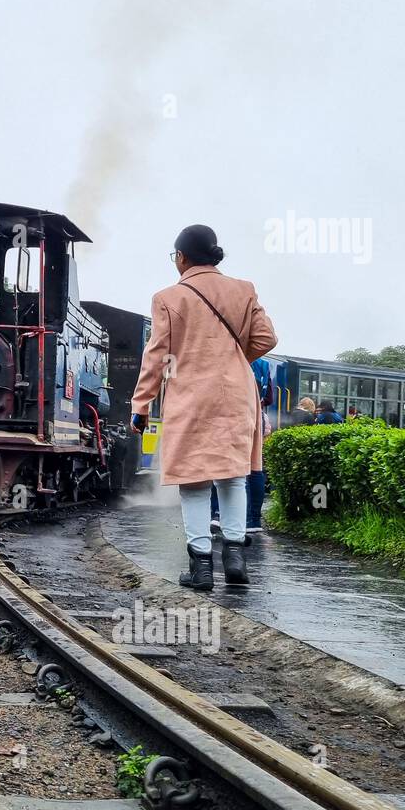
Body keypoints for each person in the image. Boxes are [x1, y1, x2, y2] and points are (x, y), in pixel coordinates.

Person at [130, 224, 277, 591]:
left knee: (194, 481)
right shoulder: (243, 290)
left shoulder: (168, 297)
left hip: (191, 394)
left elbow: (158, 355)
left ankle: (200, 569)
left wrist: (142, 404)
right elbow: (267, 339)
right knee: (233, 476)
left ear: (181, 257)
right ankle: (236, 560)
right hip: (236, 394)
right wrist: (228, 359)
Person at [211, 355, 273, 537]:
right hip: (256, 415)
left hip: (231, 414)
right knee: (254, 468)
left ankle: (220, 513)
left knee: (227, 465)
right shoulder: (263, 364)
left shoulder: (230, 355)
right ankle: (253, 520)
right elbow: (268, 397)